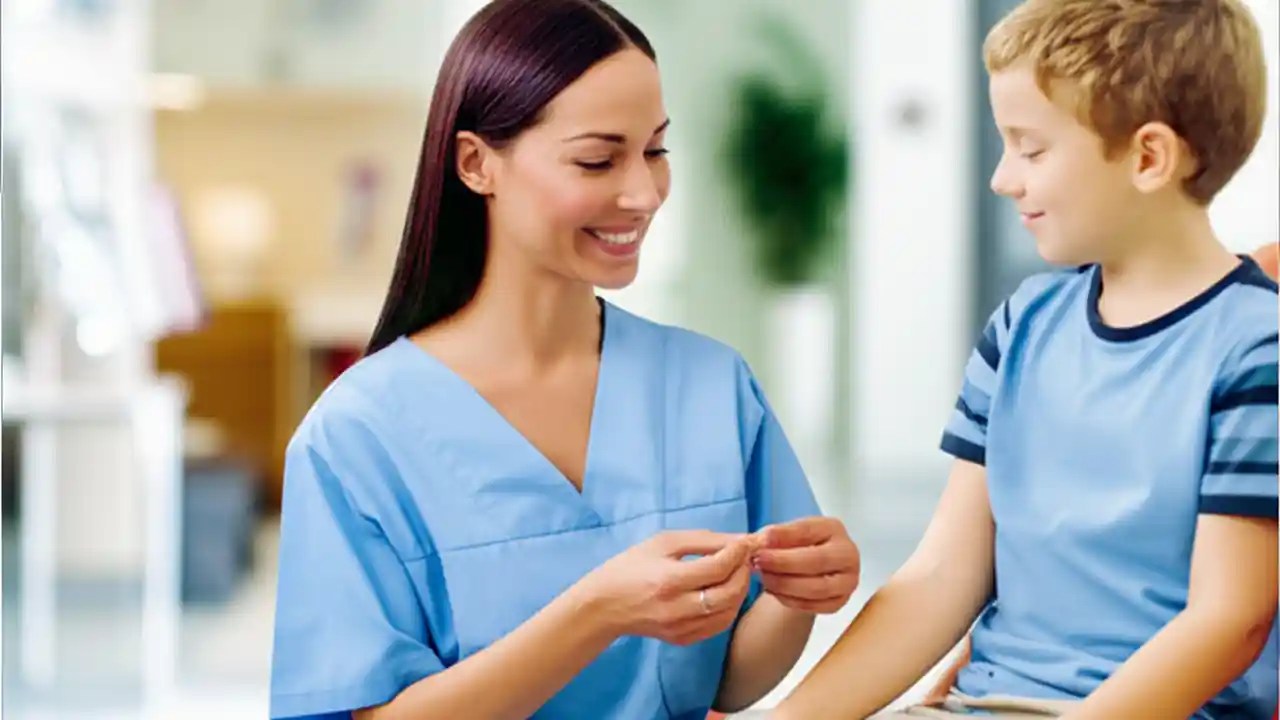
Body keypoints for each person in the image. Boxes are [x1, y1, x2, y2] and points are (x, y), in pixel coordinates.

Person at [267, 1, 861, 718]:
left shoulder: (711, 386)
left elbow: (727, 683)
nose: (643, 193)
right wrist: (597, 613)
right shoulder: (357, 437)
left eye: (656, 151)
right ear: (476, 164)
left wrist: (798, 598)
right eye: (597, 160)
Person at [775, 0, 1278, 718]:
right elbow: (942, 576)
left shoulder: (1257, 349)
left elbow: (1229, 620)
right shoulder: (1022, 325)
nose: (1002, 178)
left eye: (1031, 150)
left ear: (1148, 158)